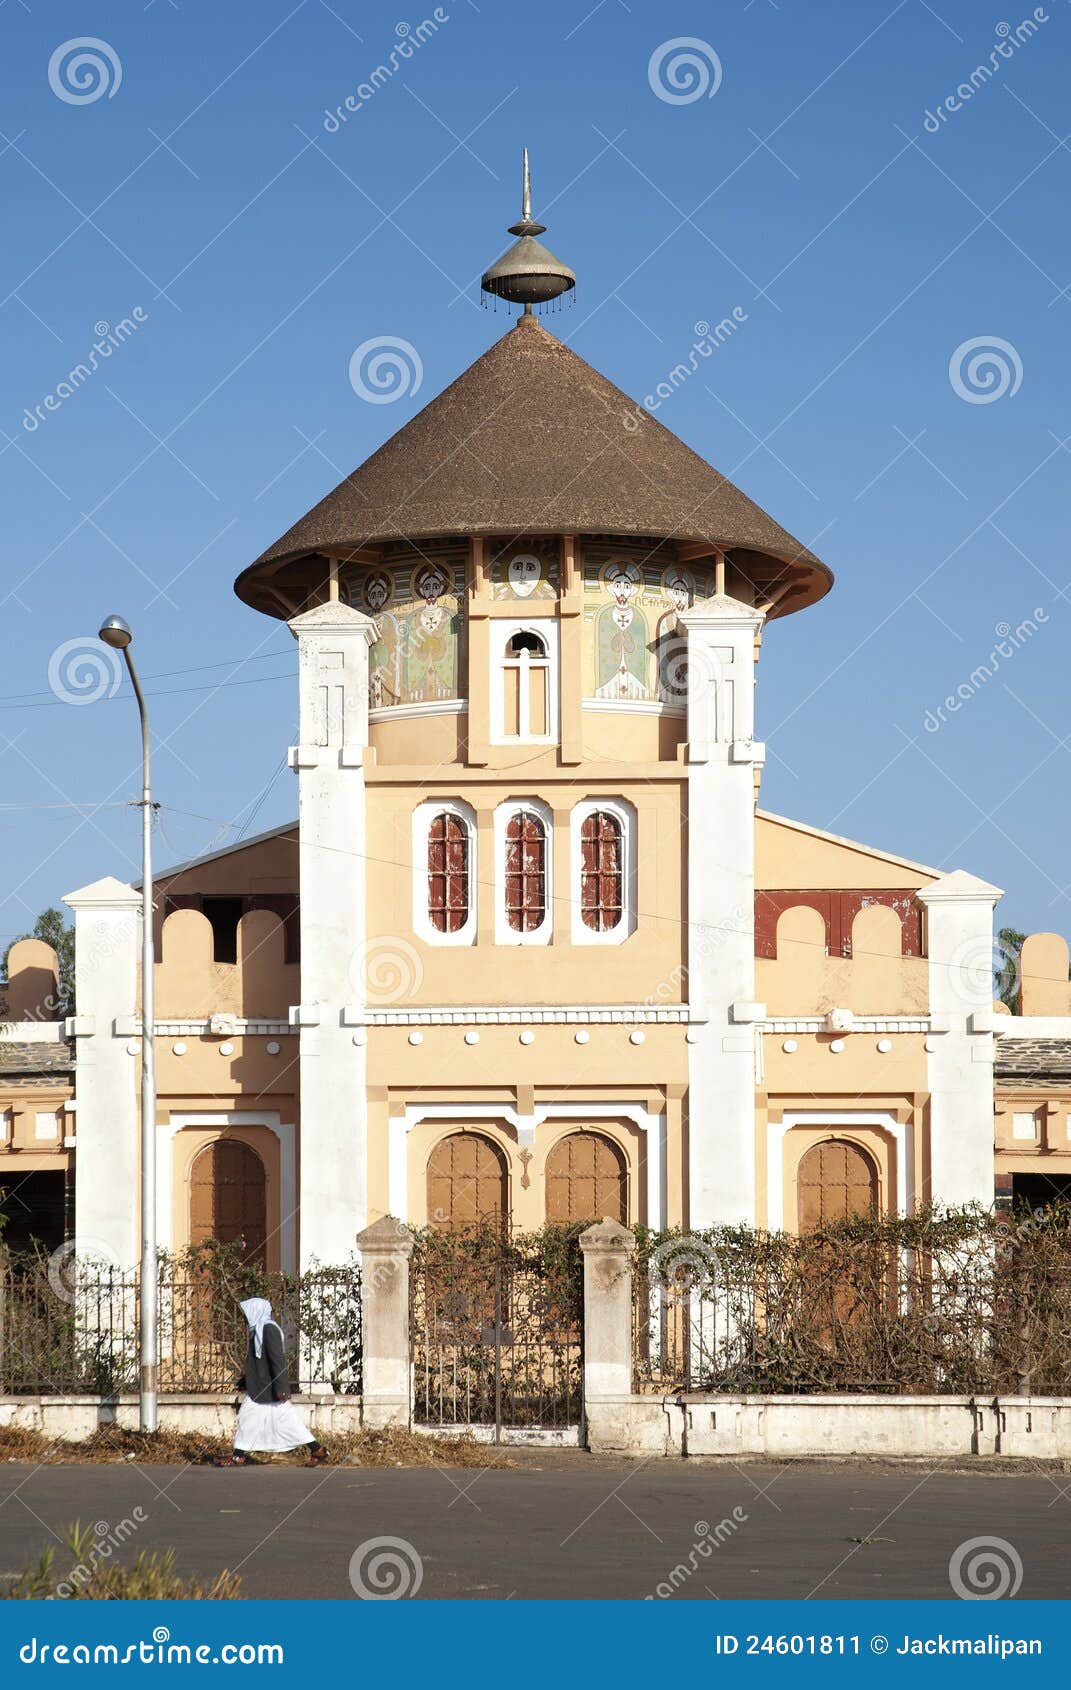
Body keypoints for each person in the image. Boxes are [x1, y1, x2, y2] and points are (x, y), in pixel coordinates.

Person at [217, 1298, 329, 1468]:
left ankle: (238, 1456)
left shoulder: (268, 1329)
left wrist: (282, 1388)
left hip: (268, 1388)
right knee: (287, 1422)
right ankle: (317, 1449)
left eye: (247, 1313)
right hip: (264, 1387)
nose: (245, 1318)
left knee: (248, 1416)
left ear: (256, 1310)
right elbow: (260, 1363)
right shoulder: (259, 1330)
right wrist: (246, 1381)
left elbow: (277, 1360)